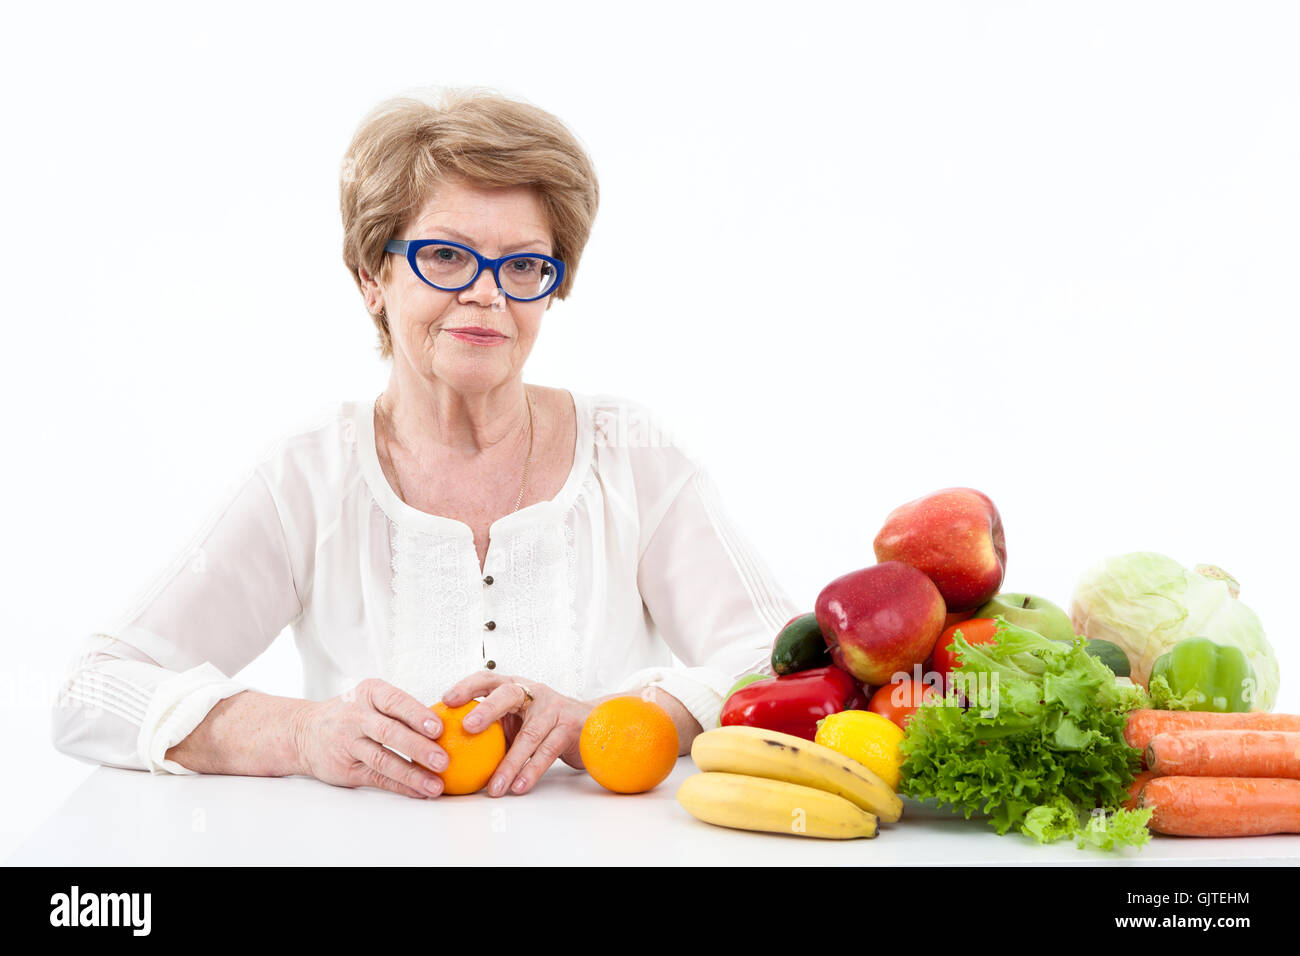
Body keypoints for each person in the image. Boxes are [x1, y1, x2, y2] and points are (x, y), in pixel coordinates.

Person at [51, 88, 799, 799]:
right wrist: (301, 733)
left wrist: (610, 722)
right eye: (445, 255)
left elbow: (785, 659)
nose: (487, 293)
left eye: (525, 264)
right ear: (372, 277)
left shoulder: (629, 454)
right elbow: (91, 690)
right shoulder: (307, 476)